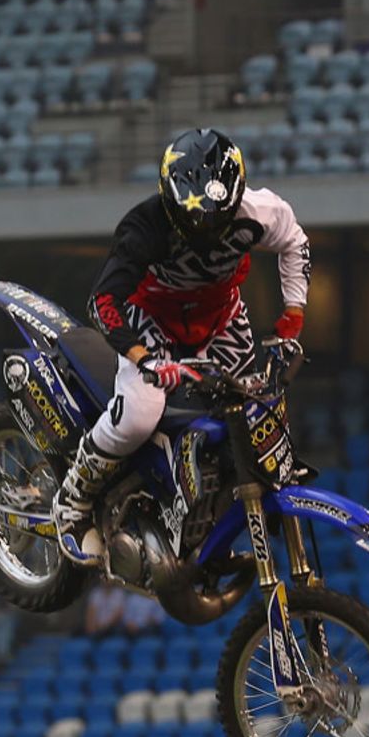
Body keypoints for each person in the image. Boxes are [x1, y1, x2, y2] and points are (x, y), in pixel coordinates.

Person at [52, 128, 311, 563]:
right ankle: (72, 501)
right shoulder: (142, 228)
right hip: (153, 322)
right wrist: (144, 359)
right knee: (140, 414)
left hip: (221, 319)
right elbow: (103, 299)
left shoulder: (262, 211)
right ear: (169, 201)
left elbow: (295, 242)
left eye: (218, 223)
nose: (206, 235)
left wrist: (293, 317)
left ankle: (213, 515)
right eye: (193, 224)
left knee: (258, 404)